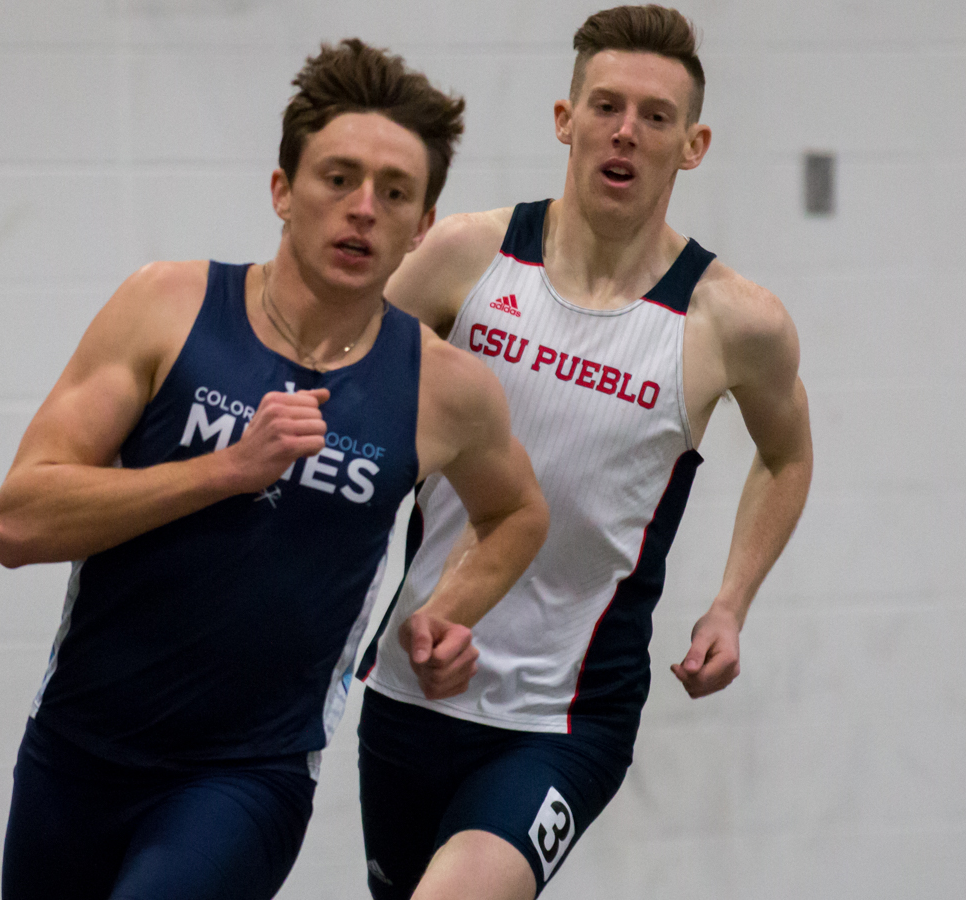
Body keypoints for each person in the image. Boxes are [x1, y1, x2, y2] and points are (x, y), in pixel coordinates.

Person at [0, 39, 548, 900]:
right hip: (76, 751)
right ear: (283, 191)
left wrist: (446, 614)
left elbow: (518, 514)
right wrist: (225, 470)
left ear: (422, 224)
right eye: (337, 178)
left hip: (249, 775)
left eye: (394, 192)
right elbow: (17, 522)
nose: (363, 209)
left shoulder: (444, 389)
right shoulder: (166, 308)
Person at [354, 6, 814, 899]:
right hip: (413, 687)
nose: (625, 133)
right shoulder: (465, 259)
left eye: (654, 116)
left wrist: (731, 604)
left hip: (568, 717)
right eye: (605, 106)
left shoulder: (733, 322)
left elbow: (786, 455)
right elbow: (349, 394)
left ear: (694, 144)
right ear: (564, 120)